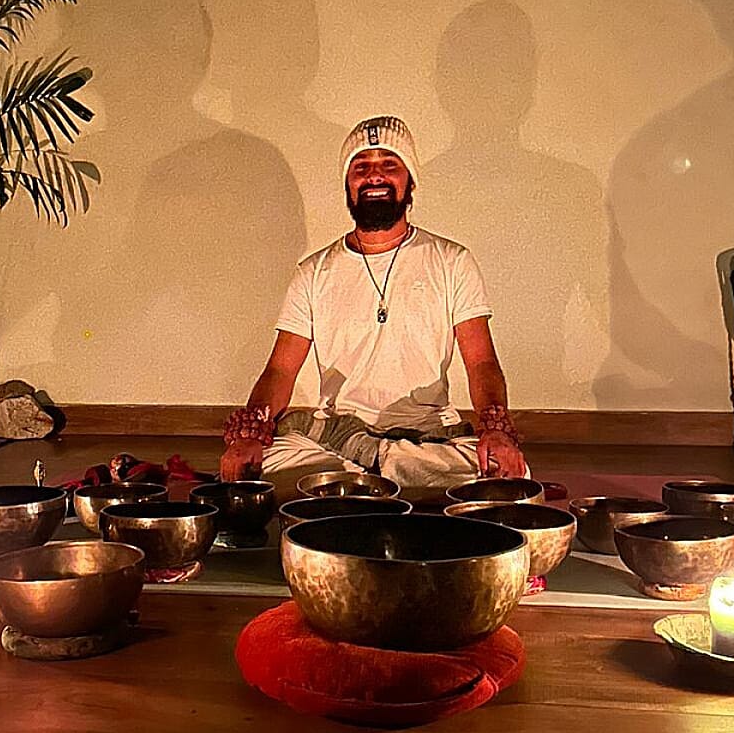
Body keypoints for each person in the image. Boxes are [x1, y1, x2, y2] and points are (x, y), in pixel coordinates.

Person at [219, 115, 526, 487]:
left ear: (410, 181)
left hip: (428, 435)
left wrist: (495, 430)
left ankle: (359, 482)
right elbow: (280, 370)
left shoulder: (452, 260)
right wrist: (253, 431)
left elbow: (481, 363)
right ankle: (384, 478)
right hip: (338, 433)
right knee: (265, 461)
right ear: (348, 185)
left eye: (389, 165)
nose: (374, 176)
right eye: (361, 167)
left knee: (498, 466)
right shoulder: (314, 271)